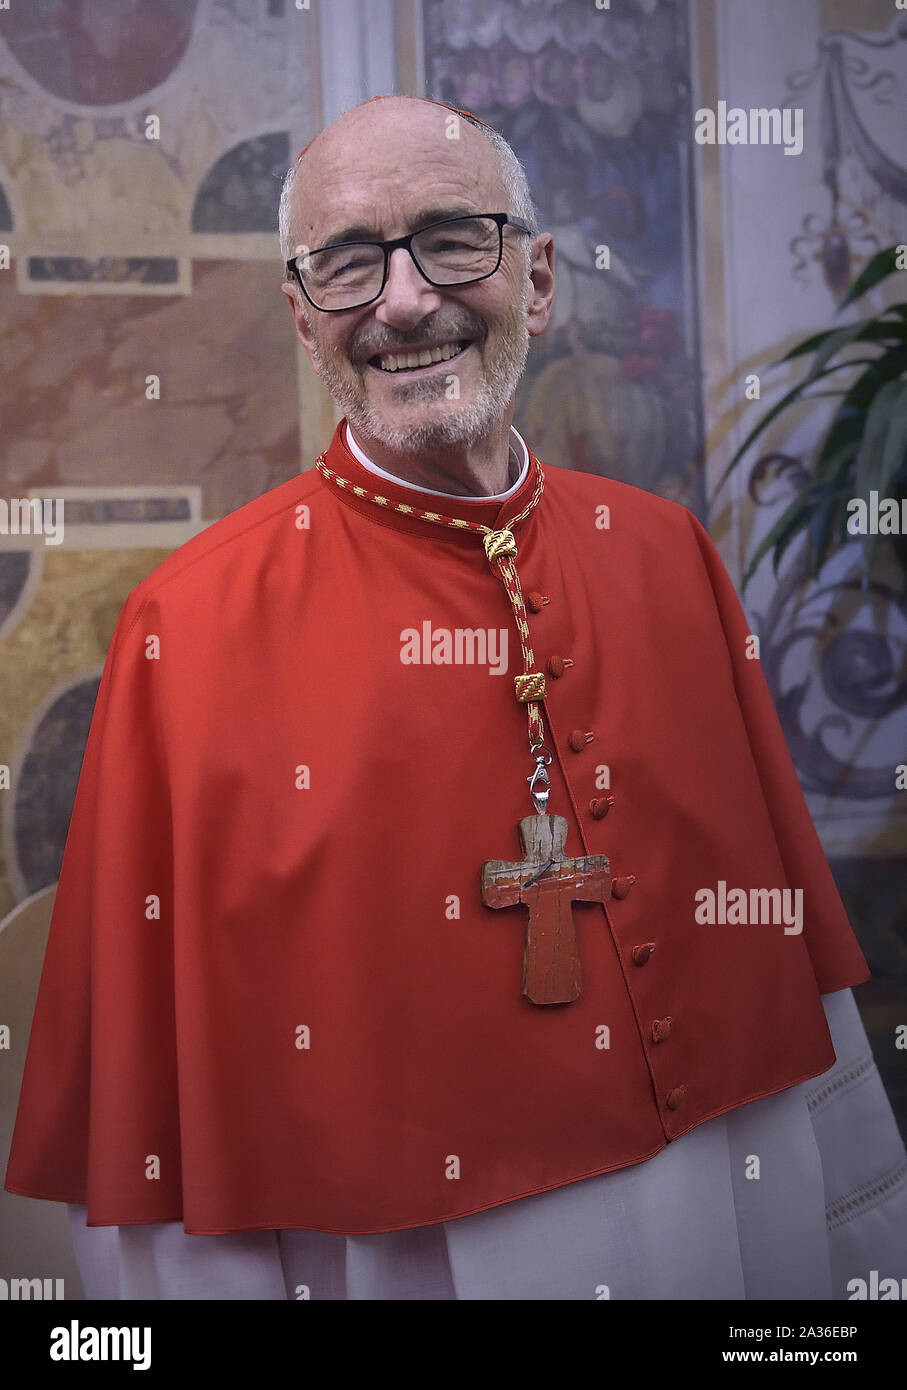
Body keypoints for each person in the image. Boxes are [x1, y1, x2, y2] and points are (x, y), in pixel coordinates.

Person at [5, 95, 906, 1301]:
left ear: (536, 279)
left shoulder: (667, 555)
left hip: (719, 1206)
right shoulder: (192, 626)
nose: (402, 300)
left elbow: (790, 983)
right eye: (346, 262)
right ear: (303, 316)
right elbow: (159, 1118)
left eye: (449, 239)